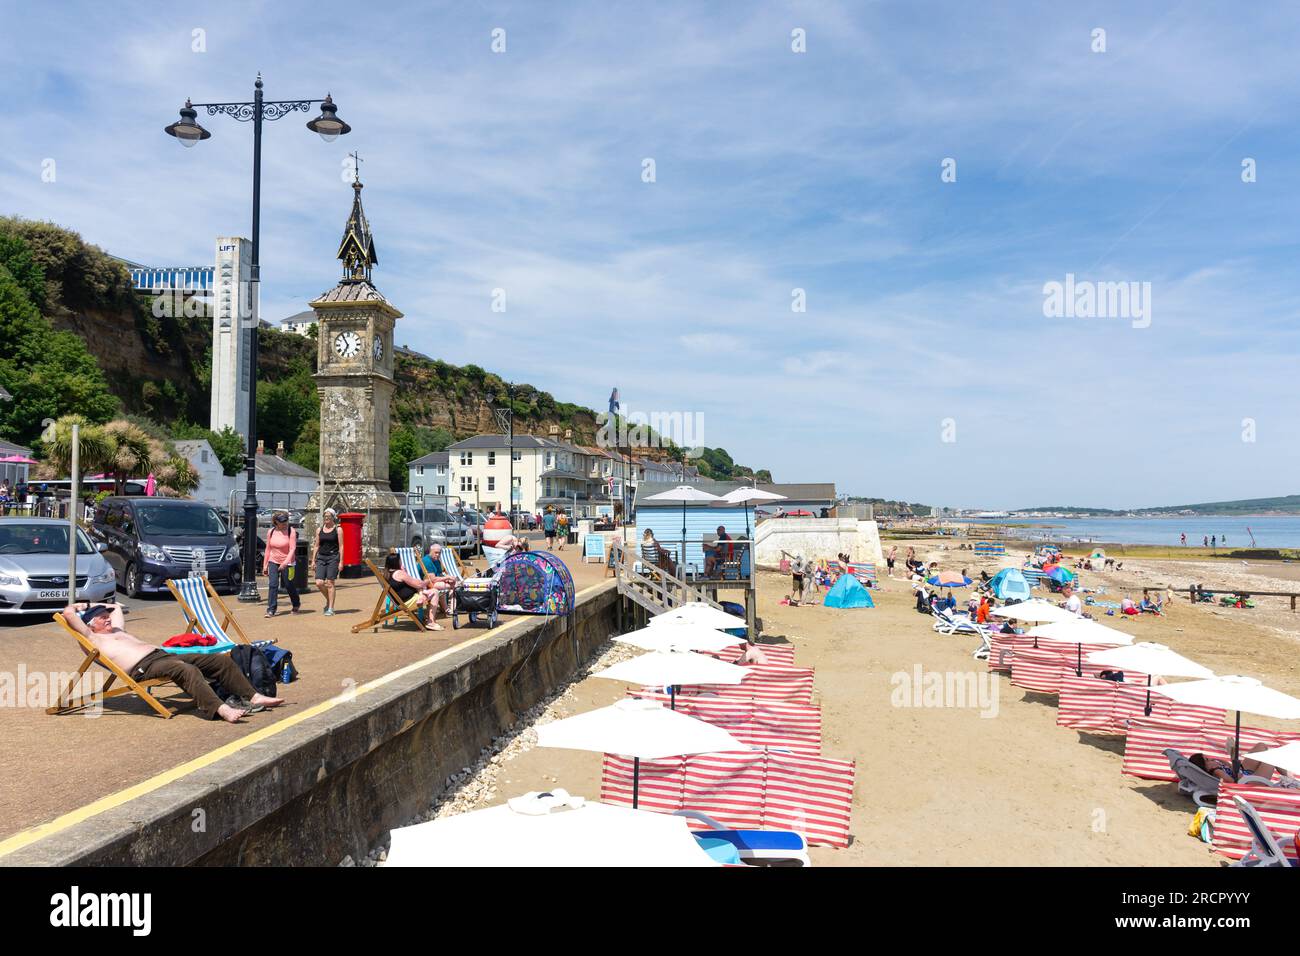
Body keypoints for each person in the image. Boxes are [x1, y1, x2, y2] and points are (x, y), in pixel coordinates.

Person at [60, 602, 282, 722]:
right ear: (90, 624)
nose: (107, 617)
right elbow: (68, 614)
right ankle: (220, 709)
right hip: (143, 668)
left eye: (105, 615)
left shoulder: (117, 629)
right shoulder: (93, 638)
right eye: (101, 617)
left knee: (217, 661)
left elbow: (117, 606)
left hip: (162, 656)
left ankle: (253, 696)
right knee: (186, 670)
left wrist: (98, 607)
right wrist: (82, 606)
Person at [383, 552, 444, 630]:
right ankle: (431, 622)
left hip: (401, 601)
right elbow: (419, 584)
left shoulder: (387, 574)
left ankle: (422, 595)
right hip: (407, 602)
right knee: (435, 592)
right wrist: (427, 581)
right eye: (400, 560)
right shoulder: (399, 573)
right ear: (396, 562)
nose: (401, 562)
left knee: (421, 589)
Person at [262, 510, 300, 618]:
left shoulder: (291, 531)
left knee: (288, 584)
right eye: (282, 521)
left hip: (288, 561)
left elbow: (292, 549)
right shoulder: (271, 532)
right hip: (273, 560)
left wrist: (285, 563)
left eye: (286, 521)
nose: (284, 523)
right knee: (273, 584)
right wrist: (265, 565)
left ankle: (296, 603)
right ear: (276, 522)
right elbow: (268, 549)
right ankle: (271, 609)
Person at [311, 508, 342, 616]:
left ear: (333, 518)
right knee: (319, 582)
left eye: (329, 517)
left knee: (330, 583)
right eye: (325, 517)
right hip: (321, 558)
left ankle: (330, 608)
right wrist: (313, 560)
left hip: (333, 557)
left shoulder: (338, 530)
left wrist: (341, 561)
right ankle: (329, 599)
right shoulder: (319, 530)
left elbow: (341, 546)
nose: (327, 519)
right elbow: (316, 545)